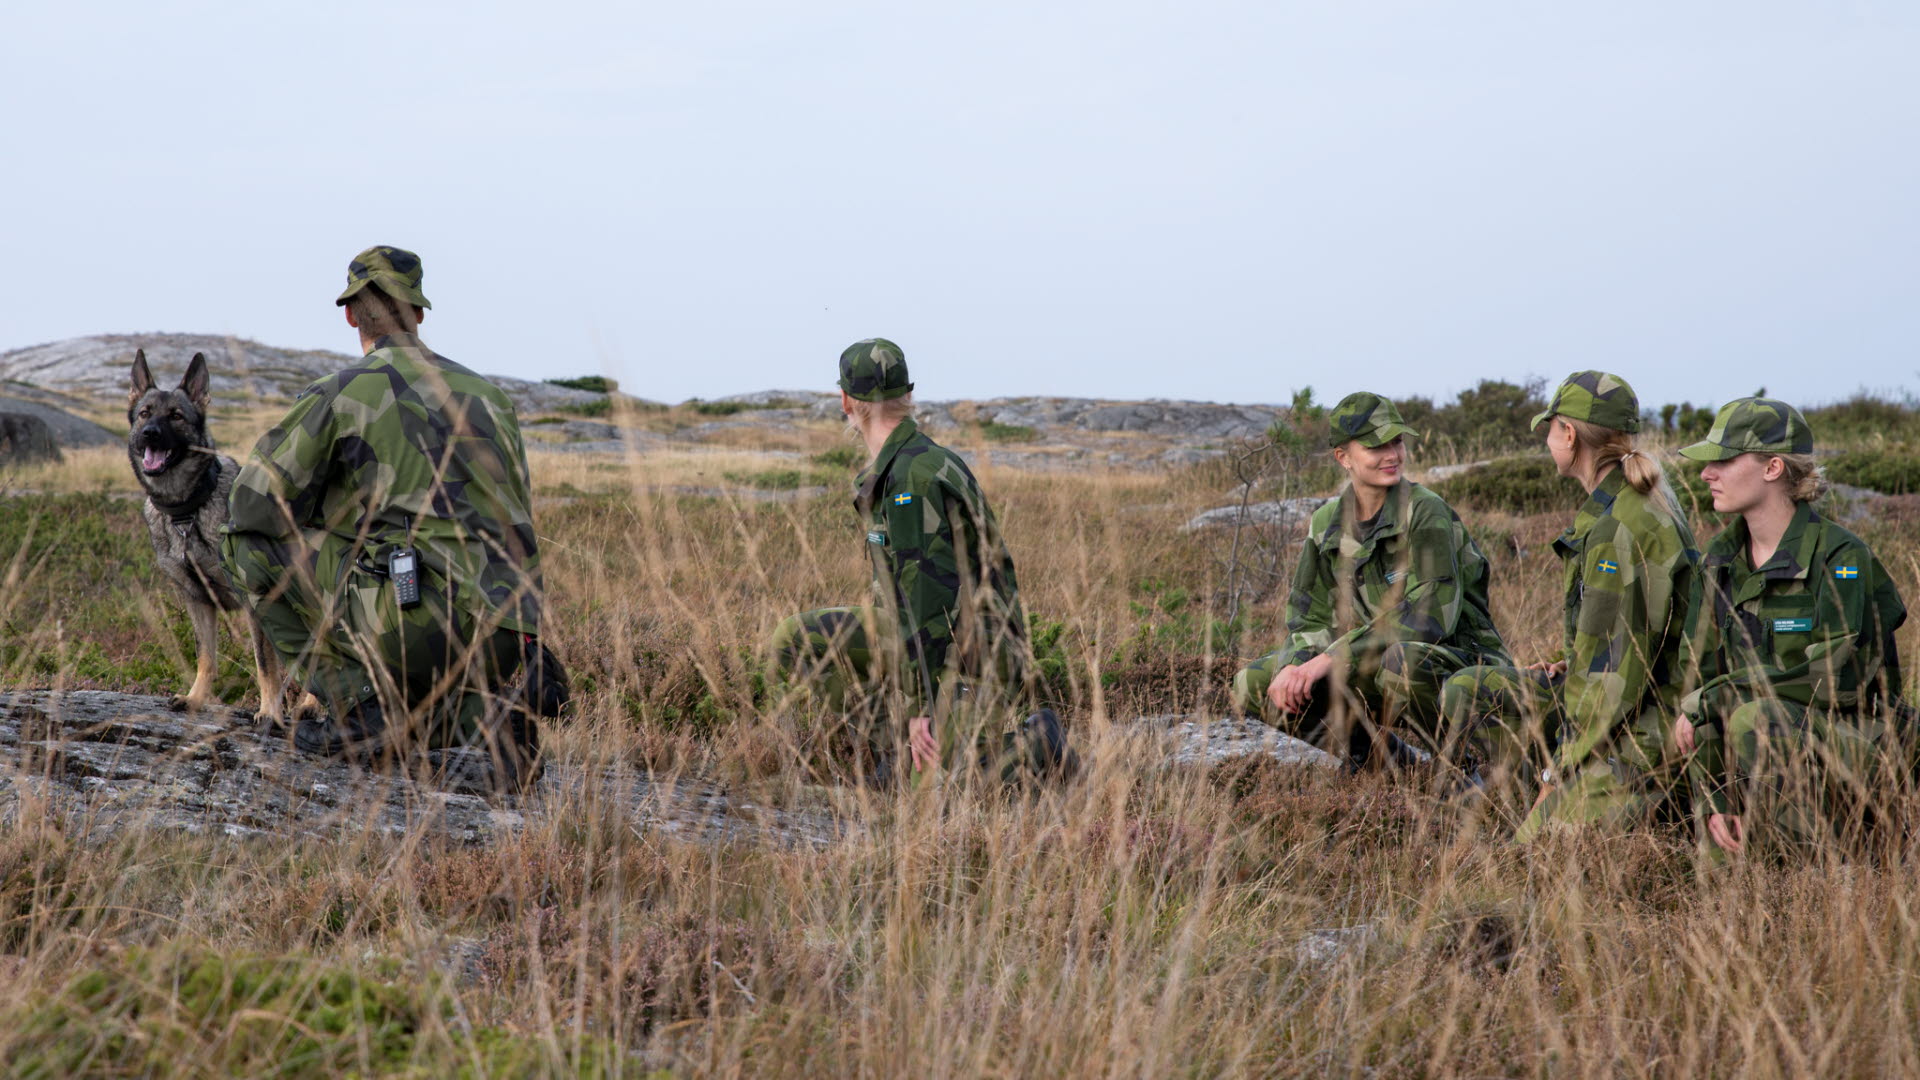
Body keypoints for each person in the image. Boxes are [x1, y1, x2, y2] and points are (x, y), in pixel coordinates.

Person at [220, 245, 565, 792]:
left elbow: (249, 506)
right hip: (503, 635)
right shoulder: (493, 397)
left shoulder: (341, 391)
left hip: (409, 622)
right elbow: (516, 526)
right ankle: (487, 722)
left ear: (351, 315)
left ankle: (359, 706)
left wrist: (328, 513)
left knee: (242, 545)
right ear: (420, 313)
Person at [766, 338, 1072, 787]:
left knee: (939, 788)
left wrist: (920, 711)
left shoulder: (912, 477)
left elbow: (928, 601)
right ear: (908, 394)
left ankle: (1038, 745)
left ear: (846, 401)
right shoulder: (910, 464)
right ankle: (896, 754)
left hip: (972, 652)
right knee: (800, 640)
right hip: (941, 641)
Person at [1442, 372, 1700, 837]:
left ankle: (1618, 801)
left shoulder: (1619, 525)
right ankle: (1533, 793)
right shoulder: (1629, 500)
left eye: (1550, 428)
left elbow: (1609, 687)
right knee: (1470, 689)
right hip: (1627, 700)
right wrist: (1573, 662)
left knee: (1533, 856)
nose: (1546, 440)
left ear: (1569, 434)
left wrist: (1556, 774)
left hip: (1649, 721)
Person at [1675, 397, 1908, 856]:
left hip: (1856, 743)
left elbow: (1840, 679)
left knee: (1751, 716)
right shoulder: (1718, 562)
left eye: (1723, 461)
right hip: (1758, 749)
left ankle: (1829, 862)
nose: (1706, 474)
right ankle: (1745, 851)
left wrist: (1724, 694)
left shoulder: (1841, 557)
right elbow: (1697, 676)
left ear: (1773, 467)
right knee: (1699, 722)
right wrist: (1717, 800)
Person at [1231, 391, 1510, 773]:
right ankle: (1380, 760)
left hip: (1458, 664)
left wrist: (1331, 658)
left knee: (1402, 662)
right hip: (1377, 661)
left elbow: (1431, 617)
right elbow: (1309, 618)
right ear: (1343, 457)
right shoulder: (1327, 523)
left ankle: (1463, 767)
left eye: (1397, 442)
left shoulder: (1425, 511)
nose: (1392, 455)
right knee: (1255, 682)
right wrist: (1295, 666)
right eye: (1376, 446)